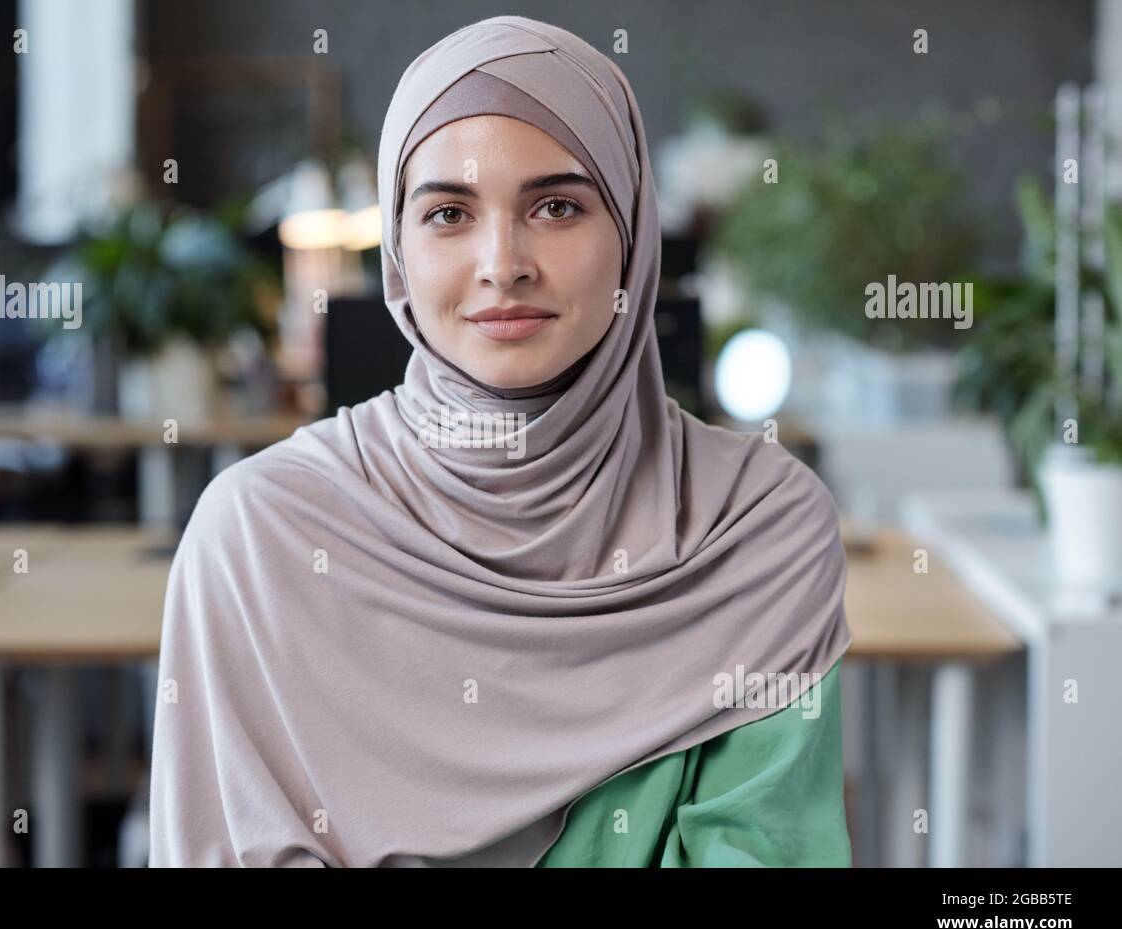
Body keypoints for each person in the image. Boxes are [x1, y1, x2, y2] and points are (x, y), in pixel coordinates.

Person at [149, 14, 854, 868]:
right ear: (398, 250)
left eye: (557, 206)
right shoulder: (258, 538)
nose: (503, 261)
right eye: (449, 212)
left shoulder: (757, 527)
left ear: (631, 231)